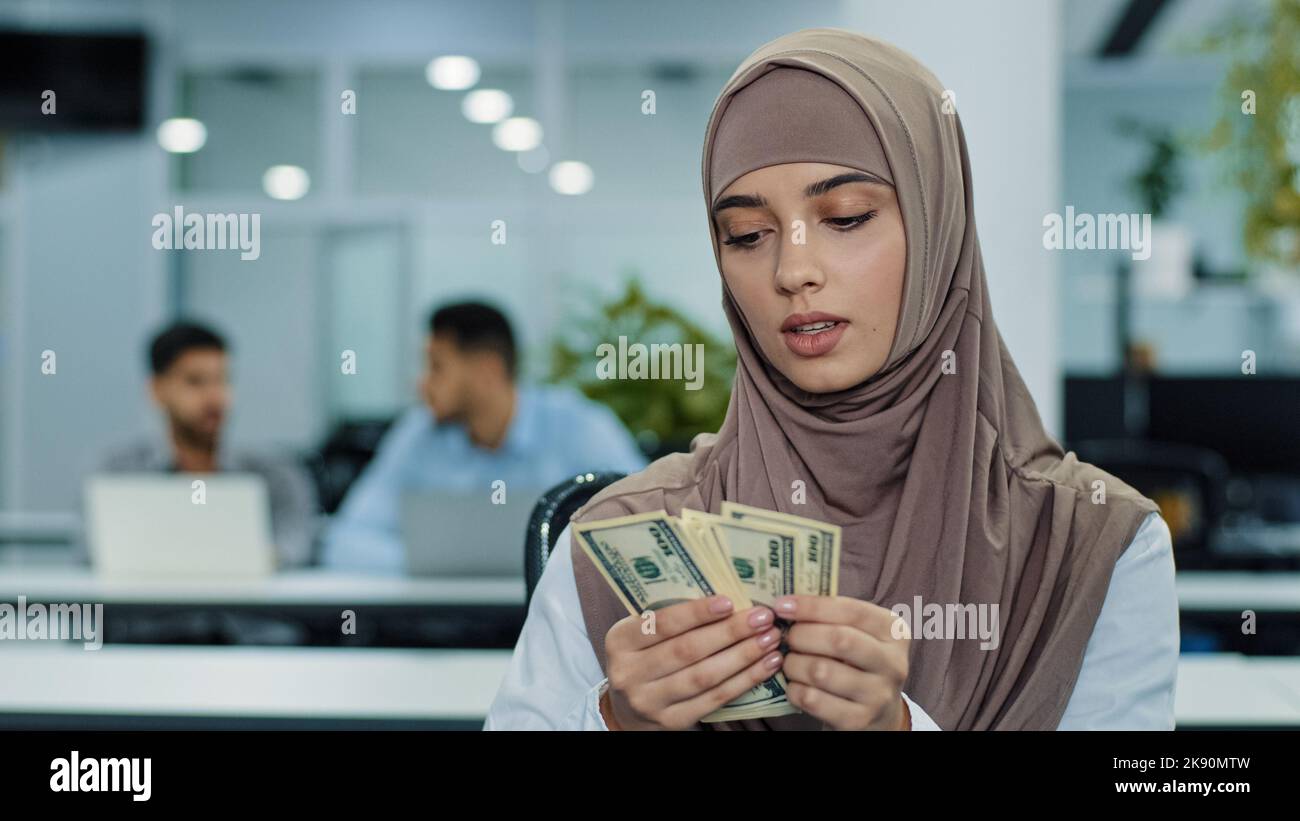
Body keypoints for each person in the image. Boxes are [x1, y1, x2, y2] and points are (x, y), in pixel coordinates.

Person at [485, 29, 1178, 730]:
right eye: (748, 235)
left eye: (846, 218)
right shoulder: (618, 535)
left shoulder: (1093, 544)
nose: (792, 271)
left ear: (938, 228)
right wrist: (611, 718)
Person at [321, 301, 647, 573]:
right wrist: (432, 564)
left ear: (487, 370)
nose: (422, 384)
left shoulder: (579, 428)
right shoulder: (417, 434)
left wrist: (549, 566)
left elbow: (647, 527)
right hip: (435, 628)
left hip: (550, 623)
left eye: (436, 366)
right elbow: (345, 541)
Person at [101, 321, 318, 568]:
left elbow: (297, 544)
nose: (215, 397)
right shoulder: (118, 473)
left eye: (222, 380)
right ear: (157, 390)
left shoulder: (275, 475)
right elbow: (93, 552)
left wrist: (263, 559)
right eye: (195, 382)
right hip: (150, 604)